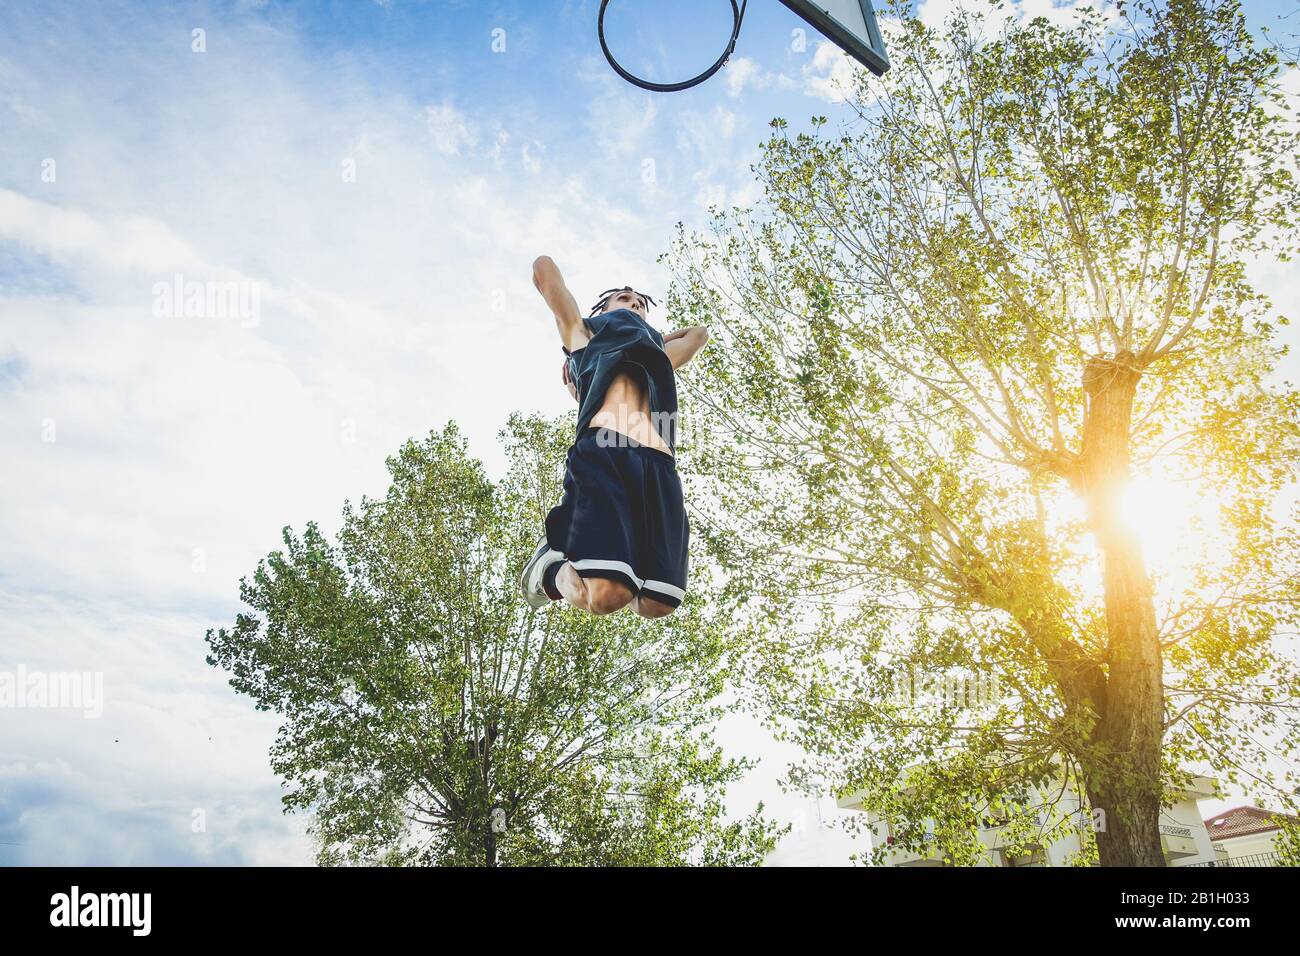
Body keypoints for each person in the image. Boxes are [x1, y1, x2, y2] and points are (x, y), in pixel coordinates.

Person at [521, 255, 709, 618]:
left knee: (659, 602)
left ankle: (595, 557)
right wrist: (598, 329)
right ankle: (550, 569)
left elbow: (698, 334)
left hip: (659, 466)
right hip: (605, 452)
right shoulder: (584, 337)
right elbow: (543, 270)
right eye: (624, 299)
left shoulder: (658, 358)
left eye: (640, 304)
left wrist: (650, 337)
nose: (634, 303)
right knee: (608, 597)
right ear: (601, 311)